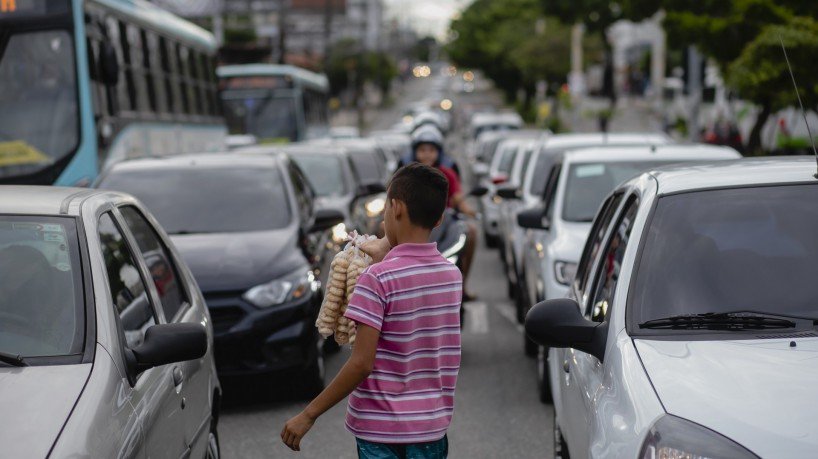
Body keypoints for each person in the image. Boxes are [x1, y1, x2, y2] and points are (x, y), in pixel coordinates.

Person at [281, 163, 462, 458]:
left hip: (381, 433)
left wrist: (309, 414)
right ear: (440, 217)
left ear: (396, 207)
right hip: (430, 428)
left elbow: (362, 363)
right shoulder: (451, 276)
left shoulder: (376, 279)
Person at [410, 126, 479, 300]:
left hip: (444, 224)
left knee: (471, 233)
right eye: (422, 150)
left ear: (438, 153)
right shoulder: (407, 175)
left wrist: (467, 209)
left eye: (431, 150)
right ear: (415, 152)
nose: (427, 155)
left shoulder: (447, 174)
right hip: (413, 225)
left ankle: (463, 285)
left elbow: (458, 197)